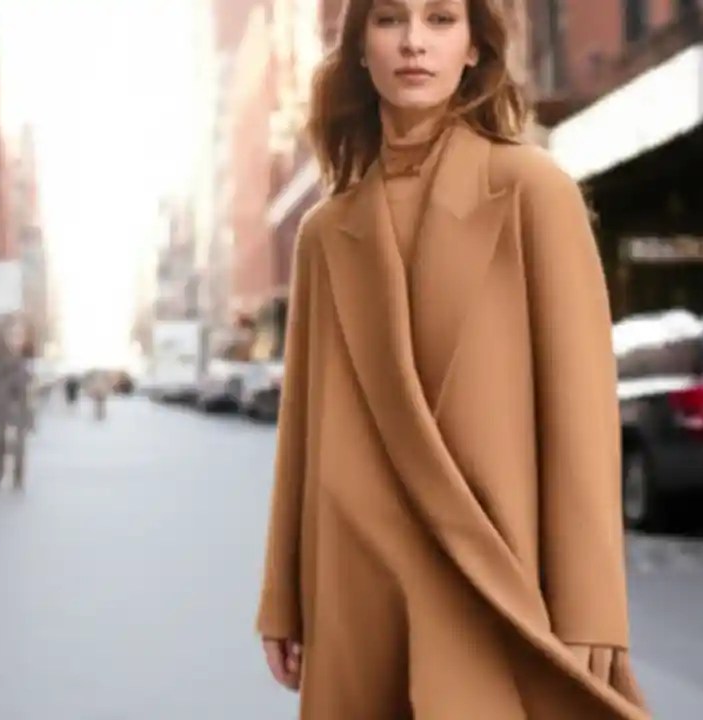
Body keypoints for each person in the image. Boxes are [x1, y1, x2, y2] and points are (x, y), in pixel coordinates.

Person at [254, 1, 648, 718]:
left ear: (474, 49)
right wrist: (284, 594)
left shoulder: (534, 190)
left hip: (489, 572)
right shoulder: (324, 231)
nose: (413, 42)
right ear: (360, 49)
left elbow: (582, 413)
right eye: (390, 21)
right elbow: (300, 424)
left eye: (440, 19)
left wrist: (593, 605)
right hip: (357, 583)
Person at [0, 325, 33, 488]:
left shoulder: (24, 362)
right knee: (1, 441)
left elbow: (27, 388)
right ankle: (0, 472)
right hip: (3, 406)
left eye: (18, 336)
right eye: (12, 335)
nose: (16, 339)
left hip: (18, 407)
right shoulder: (0, 360)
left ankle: (17, 475)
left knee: (19, 443)